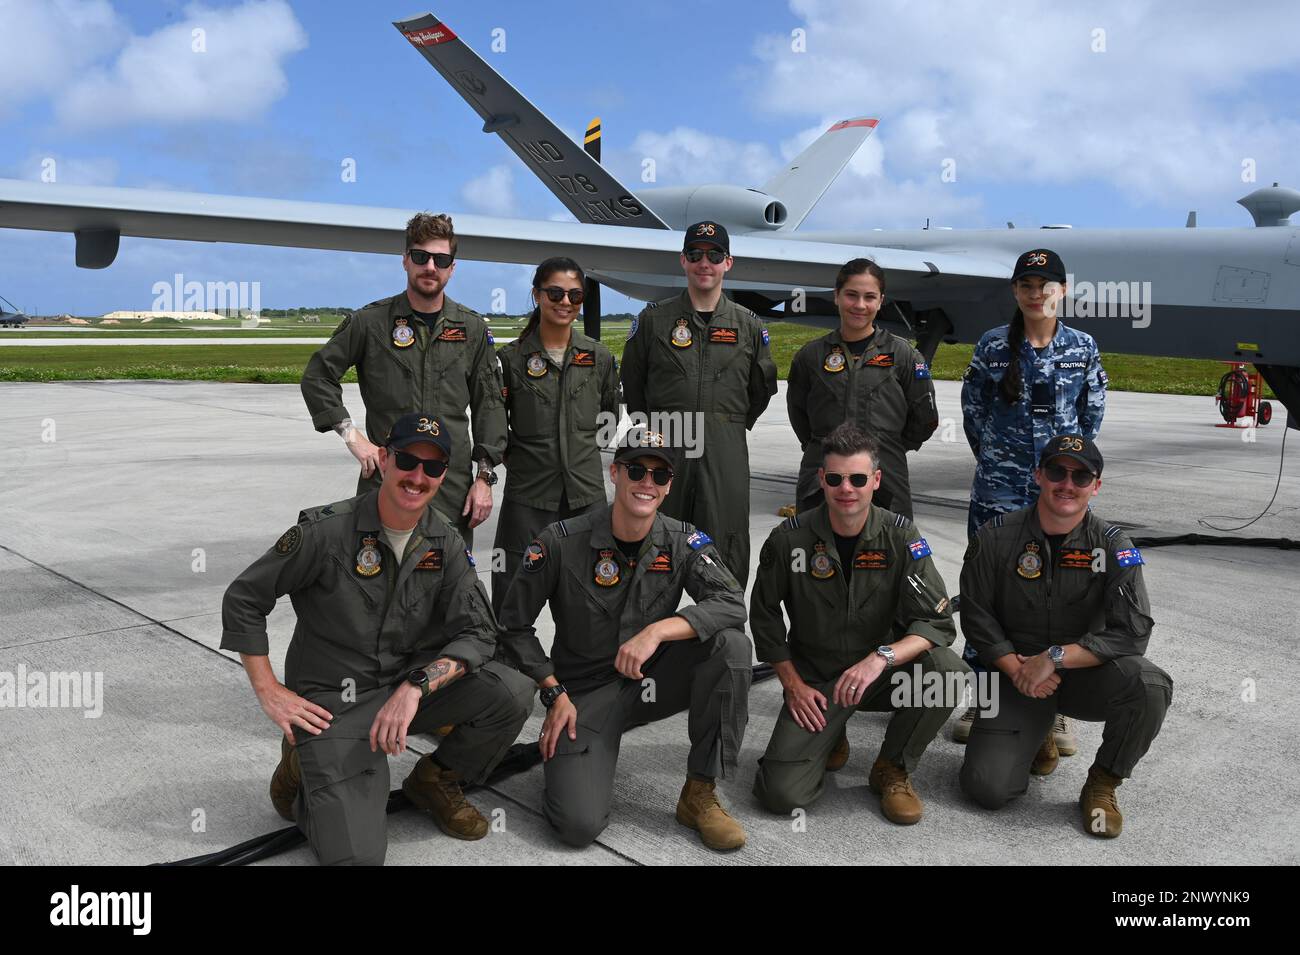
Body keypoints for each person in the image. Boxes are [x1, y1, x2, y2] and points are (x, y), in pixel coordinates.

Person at [220, 413, 533, 865]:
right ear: (384, 460)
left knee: (511, 692)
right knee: (358, 859)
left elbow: (479, 631)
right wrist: (269, 691)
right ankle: (302, 770)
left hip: (404, 688)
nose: (418, 476)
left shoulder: (442, 542)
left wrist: (417, 686)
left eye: (432, 467)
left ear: (444, 475)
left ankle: (435, 780)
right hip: (333, 705)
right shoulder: (326, 531)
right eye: (407, 460)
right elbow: (244, 598)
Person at [496, 427, 753, 851]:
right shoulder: (561, 542)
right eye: (637, 470)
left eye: (660, 475)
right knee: (577, 826)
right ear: (614, 473)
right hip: (582, 696)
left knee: (732, 647)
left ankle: (700, 793)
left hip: (653, 681)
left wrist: (657, 631)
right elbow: (513, 628)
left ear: (669, 487)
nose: (647, 483)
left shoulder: (682, 541)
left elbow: (731, 602)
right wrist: (552, 691)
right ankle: (577, 763)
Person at [750, 423, 967, 823]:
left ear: (876, 480)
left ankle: (893, 770)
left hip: (878, 675)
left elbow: (935, 621)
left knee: (948, 671)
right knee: (780, 796)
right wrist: (793, 685)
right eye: (835, 478)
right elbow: (764, 618)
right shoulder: (788, 540)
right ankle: (832, 733)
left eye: (857, 479)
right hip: (816, 682)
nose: (846, 488)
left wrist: (881, 657)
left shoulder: (901, 538)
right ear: (821, 479)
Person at [958, 434, 1172, 838]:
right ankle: (1037, 735)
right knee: (987, 789)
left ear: (1096, 485)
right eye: (1057, 471)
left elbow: (1132, 631)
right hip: (1015, 675)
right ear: (1038, 475)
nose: (1067, 484)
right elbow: (976, 613)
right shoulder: (995, 537)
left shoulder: (1112, 546)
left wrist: (1053, 658)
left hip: (1082, 672)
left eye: (1081, 476)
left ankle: (1103, 783)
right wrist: (1015, 667)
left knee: (1150, 686)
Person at [955, 248, 1108, 753]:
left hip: (1059, 489)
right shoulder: (994, 345)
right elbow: (973, 410)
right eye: (1026, 283)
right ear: (1015, 291)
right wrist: (1000, 460)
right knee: (988, 585)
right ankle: (986, 695)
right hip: (1000, 486)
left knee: (1060, 589)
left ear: (1063, 290)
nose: (1036, 292)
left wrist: (1064, 474)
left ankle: (1055, 704)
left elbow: (1090, 420)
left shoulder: (1082, 348)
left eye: (1046, 283)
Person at [300, 212, 506, 548]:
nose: (430, 267)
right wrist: (352, 437)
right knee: (375, 583)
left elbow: (491, 405)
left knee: (447, 588)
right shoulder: (370, 323)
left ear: (452, 268)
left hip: (450, 487)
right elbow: (317, 376)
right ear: (405, 261)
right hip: (386, 481)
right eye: (421, 257)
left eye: (441, 260)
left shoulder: (472, 329)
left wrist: (484, 479)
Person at [620, 221, 778, 589]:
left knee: (727, 545)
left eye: (714, 255)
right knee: (656, 545)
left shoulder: (749, 326)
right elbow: (634, 383)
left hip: (725, 450)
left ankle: (724, 633)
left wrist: (725, 425)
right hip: (664, 449)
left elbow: (761, 389)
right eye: (695, 254)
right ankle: (649, 636)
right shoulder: (653, 320)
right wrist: (657, 429)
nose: (704, 262)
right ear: (683, 261)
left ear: (728, 262)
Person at [491, 257, 620, 615]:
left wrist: (576, 452)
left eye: (575, 296)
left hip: (586, 497)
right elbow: (494, 425)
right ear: (537, 295)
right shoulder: (511, 359)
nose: (565, 303)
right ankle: (512, 670)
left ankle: (582, 671)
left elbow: (609, 415)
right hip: (529, 498)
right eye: (556, 293)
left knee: (591, 600)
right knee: (512, 598)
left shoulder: (599, 358)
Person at [787, 258, 938, 518]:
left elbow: (924, 418)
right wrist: (823, 446)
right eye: (851, 295)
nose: (860, 305)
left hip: (887, 476)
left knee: (889, 550)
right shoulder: (810, 356)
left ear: (881, 301)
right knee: (819, 552)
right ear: (836, 296)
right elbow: (799, 415)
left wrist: (885, 446)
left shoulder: (903, 356)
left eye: (870, 297)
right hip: (822, 476)